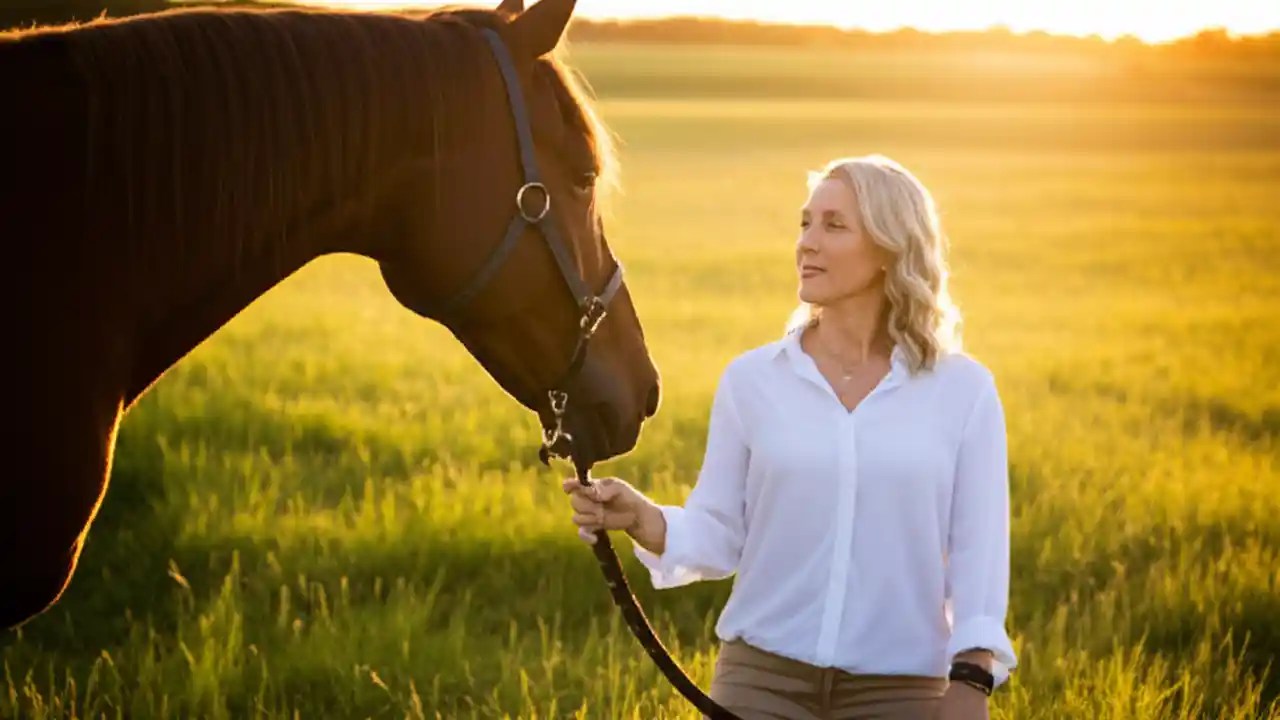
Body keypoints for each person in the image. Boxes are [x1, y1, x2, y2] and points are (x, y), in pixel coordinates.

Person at [564, 154, 1017, 720]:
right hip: (761, 680)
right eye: (805, 223)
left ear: (887, 249)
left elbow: (980, 554)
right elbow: (718, 532)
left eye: (834, 225)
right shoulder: (754, 381)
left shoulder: (962, 391)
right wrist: (640, 517)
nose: (807, 242)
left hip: (901, 690)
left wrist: (971, 682)